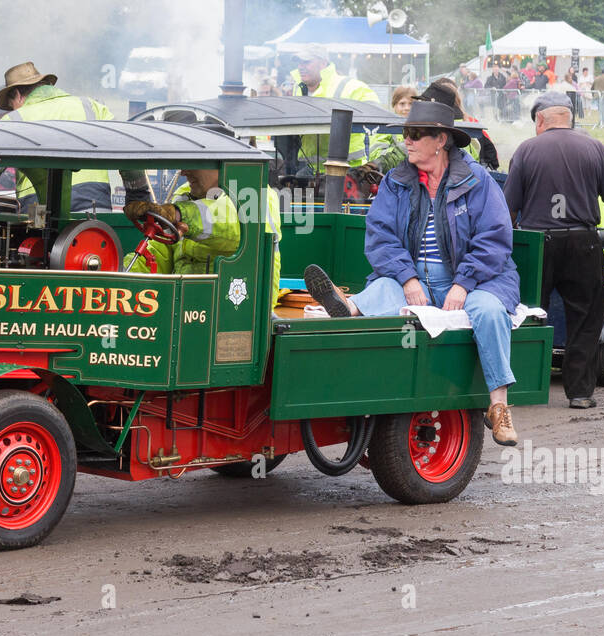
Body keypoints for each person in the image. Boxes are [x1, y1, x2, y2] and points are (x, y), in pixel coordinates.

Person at [303, 100, 522, 446]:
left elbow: (495, 240)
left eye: (415, 135)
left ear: (440, 141)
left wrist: (463, 284)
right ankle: (347, 307)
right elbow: (380, 236)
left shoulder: (478, 181)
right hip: (416, 279)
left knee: (490, 312)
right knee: (382, 293)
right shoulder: (396, 181)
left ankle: (499, 408)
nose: (407, 141)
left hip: (477, 279)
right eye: (405, 134)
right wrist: (407, 278)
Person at [502, 92, 604, 409]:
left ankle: (525, 388)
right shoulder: (595, 148)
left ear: (540, 119)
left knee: (529, 314)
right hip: (582, 241)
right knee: (585, 319)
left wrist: (507, 249)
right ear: (569, 117)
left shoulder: (526, 150)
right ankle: (580, 393)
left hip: (537, 242)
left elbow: (508, 210)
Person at [0, 61, 150, 213]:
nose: (12, 110)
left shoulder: (15, 119)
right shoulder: (91, 106)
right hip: (95, 204)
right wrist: (138, 195)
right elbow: (126, 147)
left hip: (38, 211)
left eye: (11, 105)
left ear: (18, 95)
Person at [123, 148, 283, 309]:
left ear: (220, 164)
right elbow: (158, 252)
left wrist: (180, 213)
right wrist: (121, 279)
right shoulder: (184, 193)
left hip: (240, 309)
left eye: (193, 163)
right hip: (189, 309)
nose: (184, 172)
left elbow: (230, 224)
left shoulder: (256, 194)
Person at [286, 43, 381, 174]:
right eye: (299, 62)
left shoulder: (351, 87)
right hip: (311, 169)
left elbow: (379, 121)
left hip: (349, 170)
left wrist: (374, 162)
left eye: (306, 62)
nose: (301, 67)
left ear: (323, 63)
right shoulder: (298, 88)